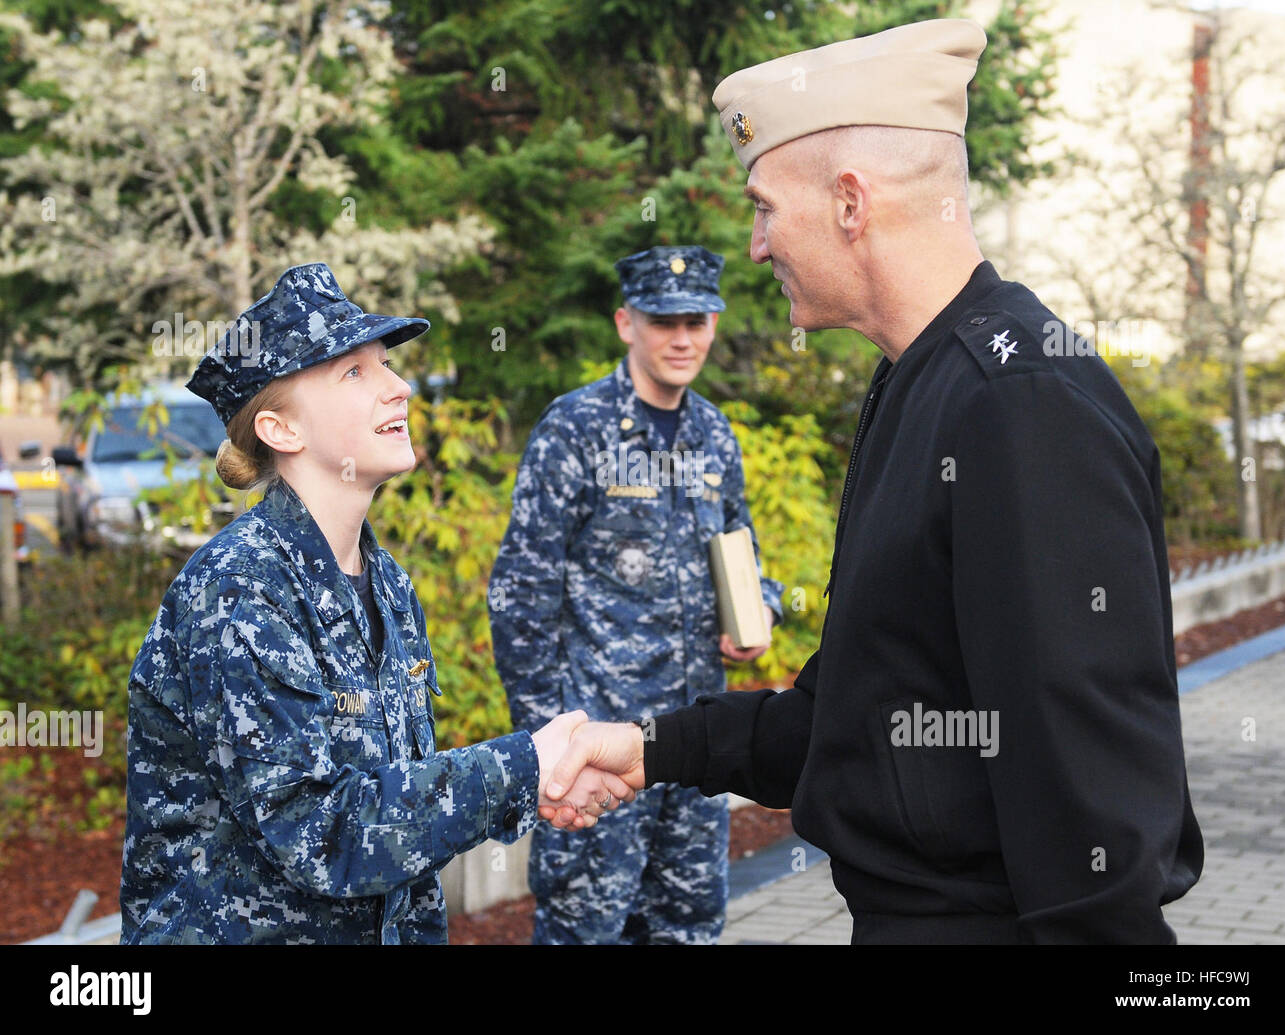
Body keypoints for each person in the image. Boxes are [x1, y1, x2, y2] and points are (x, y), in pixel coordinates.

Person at [542, 19, 1204, 944]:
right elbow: (856, 712)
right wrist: (653, 749)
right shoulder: (919, 379)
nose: (759, 244)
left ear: (851, 202)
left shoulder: (1017, 404)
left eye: (766, 206)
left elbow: (1091, 817)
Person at [119, 263, 632, 945]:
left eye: (386, 363)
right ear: (280, 429)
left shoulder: (385, 582)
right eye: (354, 373)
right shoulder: (238, 589)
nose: (401, 387)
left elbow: (396, 820)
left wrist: (534, 781)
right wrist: (525, 766)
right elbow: (321, 831)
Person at [488, 245, 784, 944]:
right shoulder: (576, 429)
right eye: (663, 321)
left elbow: (741, 549)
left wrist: (760, 608)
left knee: (688, 927)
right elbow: (521, 591)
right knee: (585, 931)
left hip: (694, 745)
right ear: (627, 322)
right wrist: (549, 743)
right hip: (597, 754)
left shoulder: (713, 433)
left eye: (698, 320)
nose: (683, 338)